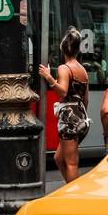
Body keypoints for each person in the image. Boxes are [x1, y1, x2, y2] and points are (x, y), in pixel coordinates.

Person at [38, 28, 89, 184]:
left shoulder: (64, 68)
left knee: (71, 162)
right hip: (81, 117)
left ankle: (75, 195)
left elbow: (63, 92)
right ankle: (71, 188)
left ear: (63, 49)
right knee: (58, 157)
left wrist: (49, 78)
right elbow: (86, 99)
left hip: (69, 119)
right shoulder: (83, 70)